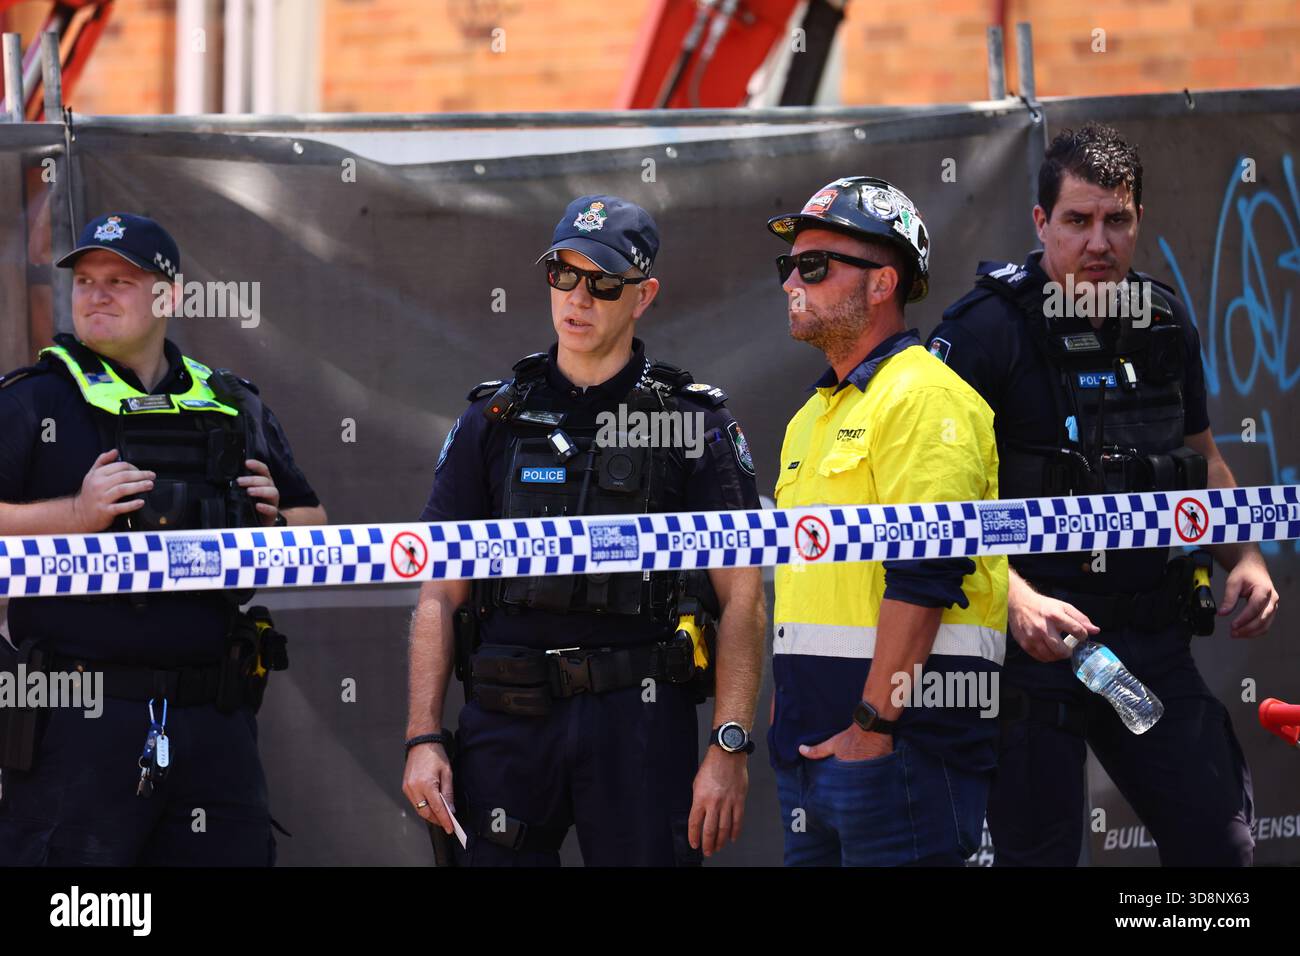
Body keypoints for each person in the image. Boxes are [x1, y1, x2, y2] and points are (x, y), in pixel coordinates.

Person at [927, 123, 1277, 866]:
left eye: (1116, 220)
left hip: (1145, 642)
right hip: (1029, 652)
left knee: (1221, 850)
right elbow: (936, 504)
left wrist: (1243, 553)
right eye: (1078, 221)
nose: (1098, 243)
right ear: (1040, 223)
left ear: (1138, 221)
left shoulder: (1163, 318)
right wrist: (1016, 599)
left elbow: (1201, 457)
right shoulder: (982, 332)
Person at [402, 195, 766, 866]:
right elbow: (438, 594)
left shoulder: (693, 424)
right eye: (563, 275)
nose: (579, 297)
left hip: (639, 719)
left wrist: (729, 743)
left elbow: (743, 595)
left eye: (602, 282)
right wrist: (423, 737)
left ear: (643, 294)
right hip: (508, 718)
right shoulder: (494, 419)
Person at [0, 213, 326, 865]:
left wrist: (273, 523)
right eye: (86, 281)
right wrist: (73, 514)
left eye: (120, 280)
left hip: (215, 718)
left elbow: (314, 525)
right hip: (80, 720)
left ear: (170, 296)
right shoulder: (34, 401)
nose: (95, 294)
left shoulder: (232, 402)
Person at [767, 176, 1007, 866]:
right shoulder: (812, 415)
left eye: (814, 266)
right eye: (789, 265)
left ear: (882, 284)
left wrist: (873, 725)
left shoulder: (927, 397)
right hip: (814, 754)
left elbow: (927, 573)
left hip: (900, 752)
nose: (792, 281)